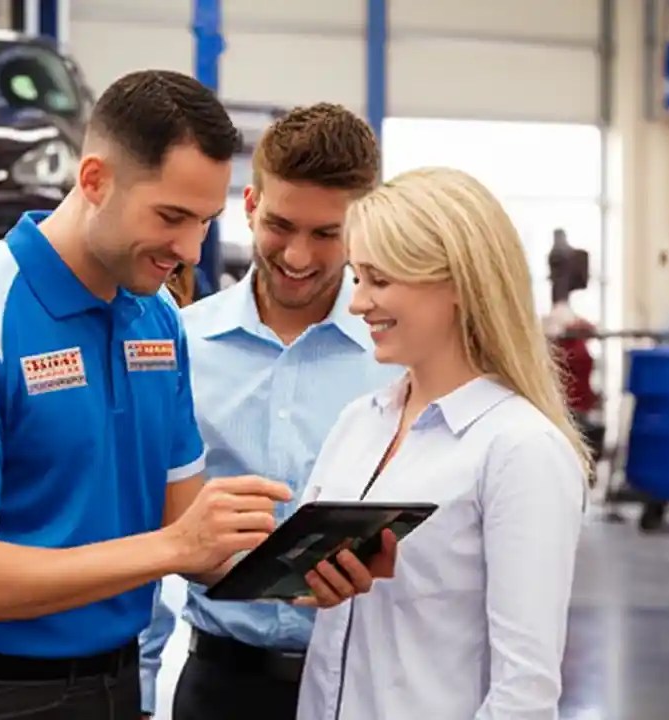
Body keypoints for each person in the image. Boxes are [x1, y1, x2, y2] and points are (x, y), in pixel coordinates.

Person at [0, 70, 380, 720]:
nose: (190, 249)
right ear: (94, 181)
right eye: (171, 217)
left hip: (114, 692)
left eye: (205, 221)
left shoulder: (158, 322)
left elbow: (200, 547)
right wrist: (174, 546)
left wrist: (308, 570)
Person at [294, 166, 592, 720]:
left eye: (378, 281)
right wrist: (306, 581)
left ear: (457, 284)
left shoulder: (520, 450)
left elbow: (523, 692)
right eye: (357, 279)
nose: (357, 304)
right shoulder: (360, 422)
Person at [137, 103, 404, 720]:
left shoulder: (399, 356)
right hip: (223, 687)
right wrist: (139, 695)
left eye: (327, 234)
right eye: (281, 225)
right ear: (250, 203)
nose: (299, 256)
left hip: (366, 688)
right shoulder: (182, 345)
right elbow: (147, 535)